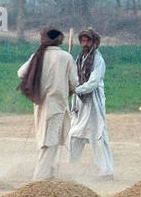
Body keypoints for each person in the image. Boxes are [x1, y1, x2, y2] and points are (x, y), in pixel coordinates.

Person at [17, 26, 78, 181]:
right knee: (49, 141)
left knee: (48, 139)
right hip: (57, 105)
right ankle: (39, 177)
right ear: (59, 40)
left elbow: (21, 73)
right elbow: (75, 83)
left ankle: (49, 172)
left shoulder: (37, 56)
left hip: (39, 103)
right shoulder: (66, 57)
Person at [68, 27, 114, 179]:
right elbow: (74, 75)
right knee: (74, 135)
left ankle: (106, 171)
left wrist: (76, 89)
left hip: (93, 103)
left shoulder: (98, 60)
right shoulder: (79, 58)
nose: (85, 43)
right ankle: (71, 167)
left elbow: (93, 82)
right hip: (81, 103)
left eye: (88, 40)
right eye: (83, 40)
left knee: (97, 137)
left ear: (94, 42)